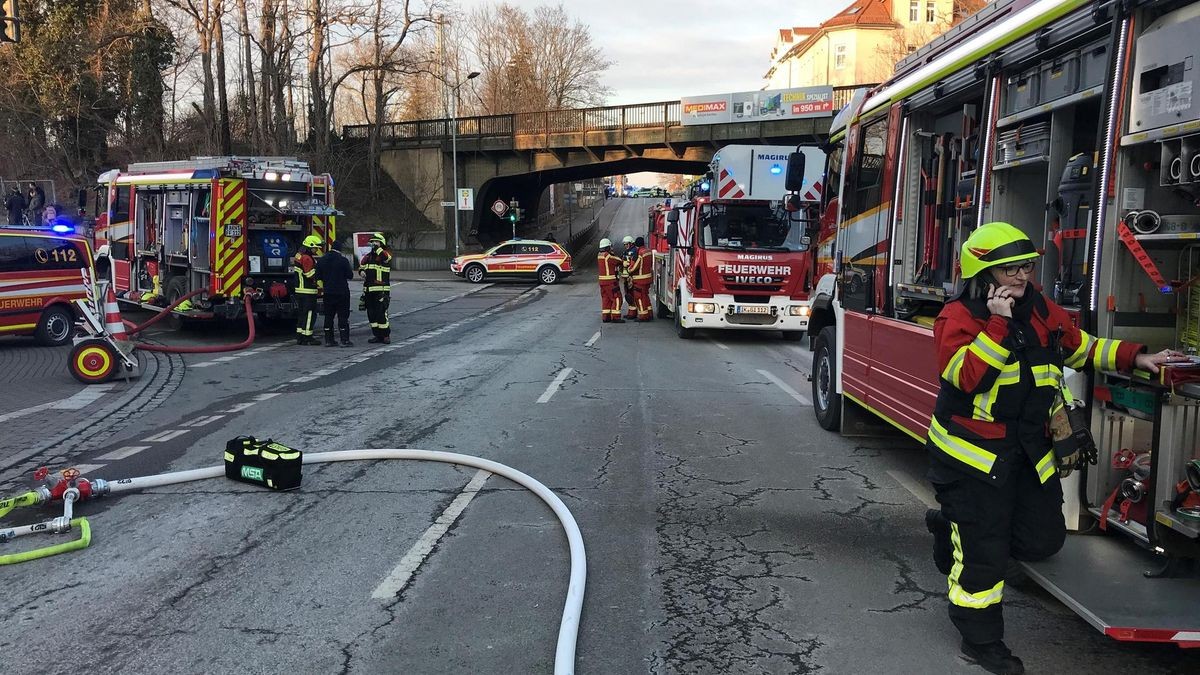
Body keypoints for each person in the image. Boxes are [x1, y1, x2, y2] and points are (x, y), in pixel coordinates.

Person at [924, 222, 1184, 674]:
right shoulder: (958, 317)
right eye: (1010, 269)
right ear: (983, 274)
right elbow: (967, 378)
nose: (1021, 276)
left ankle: (951, 527)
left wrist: (1137, 357)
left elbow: (1080, 347)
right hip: (972, 458)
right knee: (985, 556)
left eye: (1025, 266)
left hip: (1027, 452)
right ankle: (980, 641)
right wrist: (999, 323)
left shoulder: (1042, 309)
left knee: (1041, 541)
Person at [316, 240, 354, 348]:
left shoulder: (322, 260)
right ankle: (344, 340)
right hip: (342, 292)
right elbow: (350, 275)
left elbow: (317, 276)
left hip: (328, 292)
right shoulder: (343, 260)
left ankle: (329, 340)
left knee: (328, 316)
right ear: (340, 249)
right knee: (343, 316)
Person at [359, 233, 393, 343]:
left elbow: (386, 257)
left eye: (376, 242)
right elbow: (361, 266)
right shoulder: (368, 256)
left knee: (381, 313)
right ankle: (377, 335)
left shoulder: (385, 254)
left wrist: (378, 248)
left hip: (381, 290)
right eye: (372, 242)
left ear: (381, 243)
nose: (374, 243)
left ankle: (385, 335)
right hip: (369, 291)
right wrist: (361, 271)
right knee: (371, 315)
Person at [293, 234, 323, 346]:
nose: (316, 250)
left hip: (300, 290)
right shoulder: (307, 258)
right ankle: (308, 337)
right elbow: (309, 274)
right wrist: (319, 271)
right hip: (308, 291)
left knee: (302, 314)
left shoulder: (299, 255)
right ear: (310, 246)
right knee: (310, 314)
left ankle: (300, 337)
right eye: (315, 248)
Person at [596, 238, 625, 323]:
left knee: (606, 299)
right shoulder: (607, 255)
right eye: (610, 247)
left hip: (602, 282)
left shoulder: (599, 255)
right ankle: (616, 317)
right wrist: (623, 260)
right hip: (610, 282)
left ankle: (606, 316)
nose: (611, 248)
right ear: (607, 247)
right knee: (617, 298)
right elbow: (617, 261)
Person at [627, 236, 653, 321]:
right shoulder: (648, 251)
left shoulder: (640, 253)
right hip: (648, 278)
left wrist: (629, 269)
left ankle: (643, 316)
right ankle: (649, 313)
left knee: (639, 298)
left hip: (640, 280)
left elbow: (635, 267)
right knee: (645, 296)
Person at [621, 235, 637, 319]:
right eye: (624, 244)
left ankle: (633, 313)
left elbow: (633, 264)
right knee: (628, 295)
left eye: (627, 244)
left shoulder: (634, 252)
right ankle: (631, 312)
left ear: (631, 243)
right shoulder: (625, 252)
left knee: (632, 295)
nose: (625, 246)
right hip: (626, 277)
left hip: (631, 277)